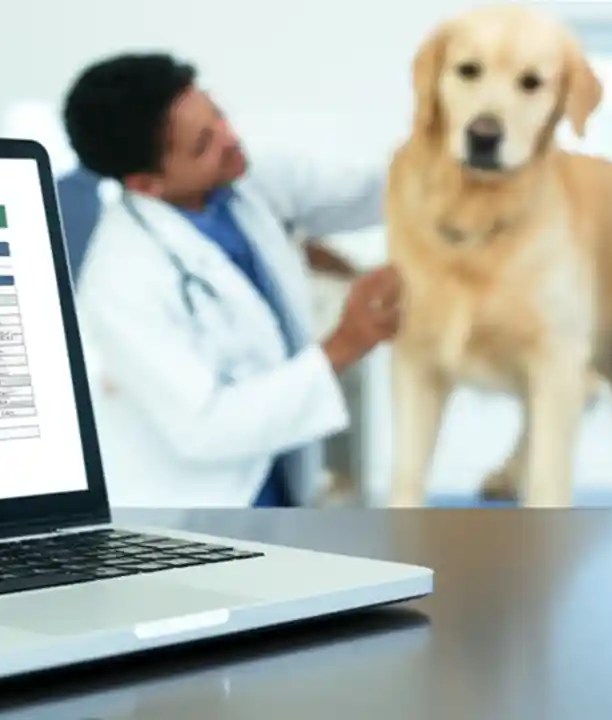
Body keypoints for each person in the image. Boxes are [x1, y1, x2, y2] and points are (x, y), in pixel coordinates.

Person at [63, 53, 403, 508]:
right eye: (203, 143)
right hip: (196, 513)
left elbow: (373, 190)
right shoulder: (120, 279)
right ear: (146, 184)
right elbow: (206, 426)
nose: (231, 138)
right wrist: (346, 343)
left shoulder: (245, 179)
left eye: (218, 114)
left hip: (282, 485)